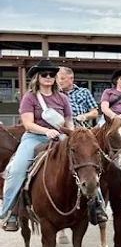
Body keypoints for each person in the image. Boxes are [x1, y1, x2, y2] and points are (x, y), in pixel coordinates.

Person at [1, 60, 72, 231]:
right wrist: (46, 131)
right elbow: (28, 124)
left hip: (61, 138)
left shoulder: (62, 98)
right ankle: (11, 211)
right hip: (34, 138)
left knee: (85, 163)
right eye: (44, 74)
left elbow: (69, 121)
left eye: (52, 74)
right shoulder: (30, 97)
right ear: (37, 77)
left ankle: (96, 205)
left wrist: (71, 134)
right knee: (16, 170)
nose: (48, 77)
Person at [56, 67, 108, 225]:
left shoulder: (84, 92)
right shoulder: (55, 94)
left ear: (71, 79)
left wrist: (85, 115)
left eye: (62, 78)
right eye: (59, 79)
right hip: (61, 132)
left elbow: (95, 112)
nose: (59, 81)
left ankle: (98, 204)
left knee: (90, 164)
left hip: (83, 133)